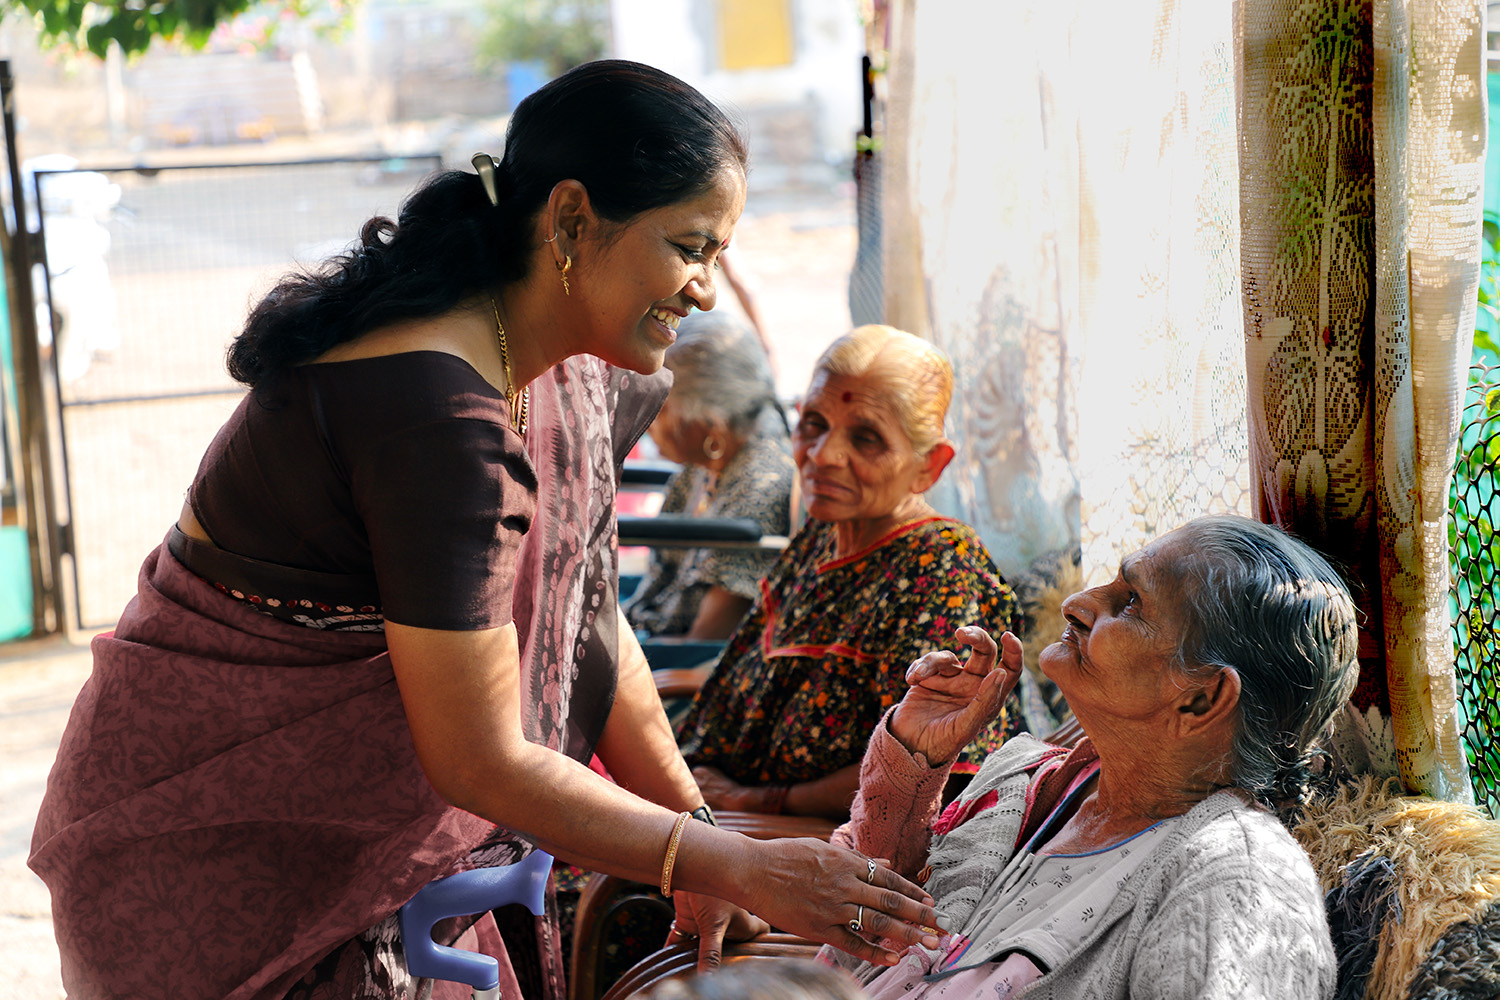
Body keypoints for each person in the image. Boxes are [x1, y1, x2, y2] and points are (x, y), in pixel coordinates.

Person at [27, 61, 946, 1000]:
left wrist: (699, 837)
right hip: (232, 869)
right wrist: (734, 864)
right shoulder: (441, 421)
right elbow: (477, 758)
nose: (707, 290)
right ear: (574, 218)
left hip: (354, 862)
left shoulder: (558, 367)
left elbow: (585, 616)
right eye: (689, 247)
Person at [825, 514, 1355, 998]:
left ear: (1200, 700)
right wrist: (911, 759)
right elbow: (874, 905)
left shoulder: (1235, 883)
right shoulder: (1028, 778)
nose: (1076, 602)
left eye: (1130, 603)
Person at [675, 325, 1026, 822]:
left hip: (785, 844)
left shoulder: (944, 569)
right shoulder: (824, 530)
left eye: (866, 438)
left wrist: (755, 803)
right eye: (814, 423)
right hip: (709, 805)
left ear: (928, 466)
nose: (822, 455)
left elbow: (929, 770)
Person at [624, 312, 794, 639]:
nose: (645, 423)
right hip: (649, 620)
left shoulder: (760, 491)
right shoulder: (711, 458)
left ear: (709, 422)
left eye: (659, 408)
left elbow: (702, 642)